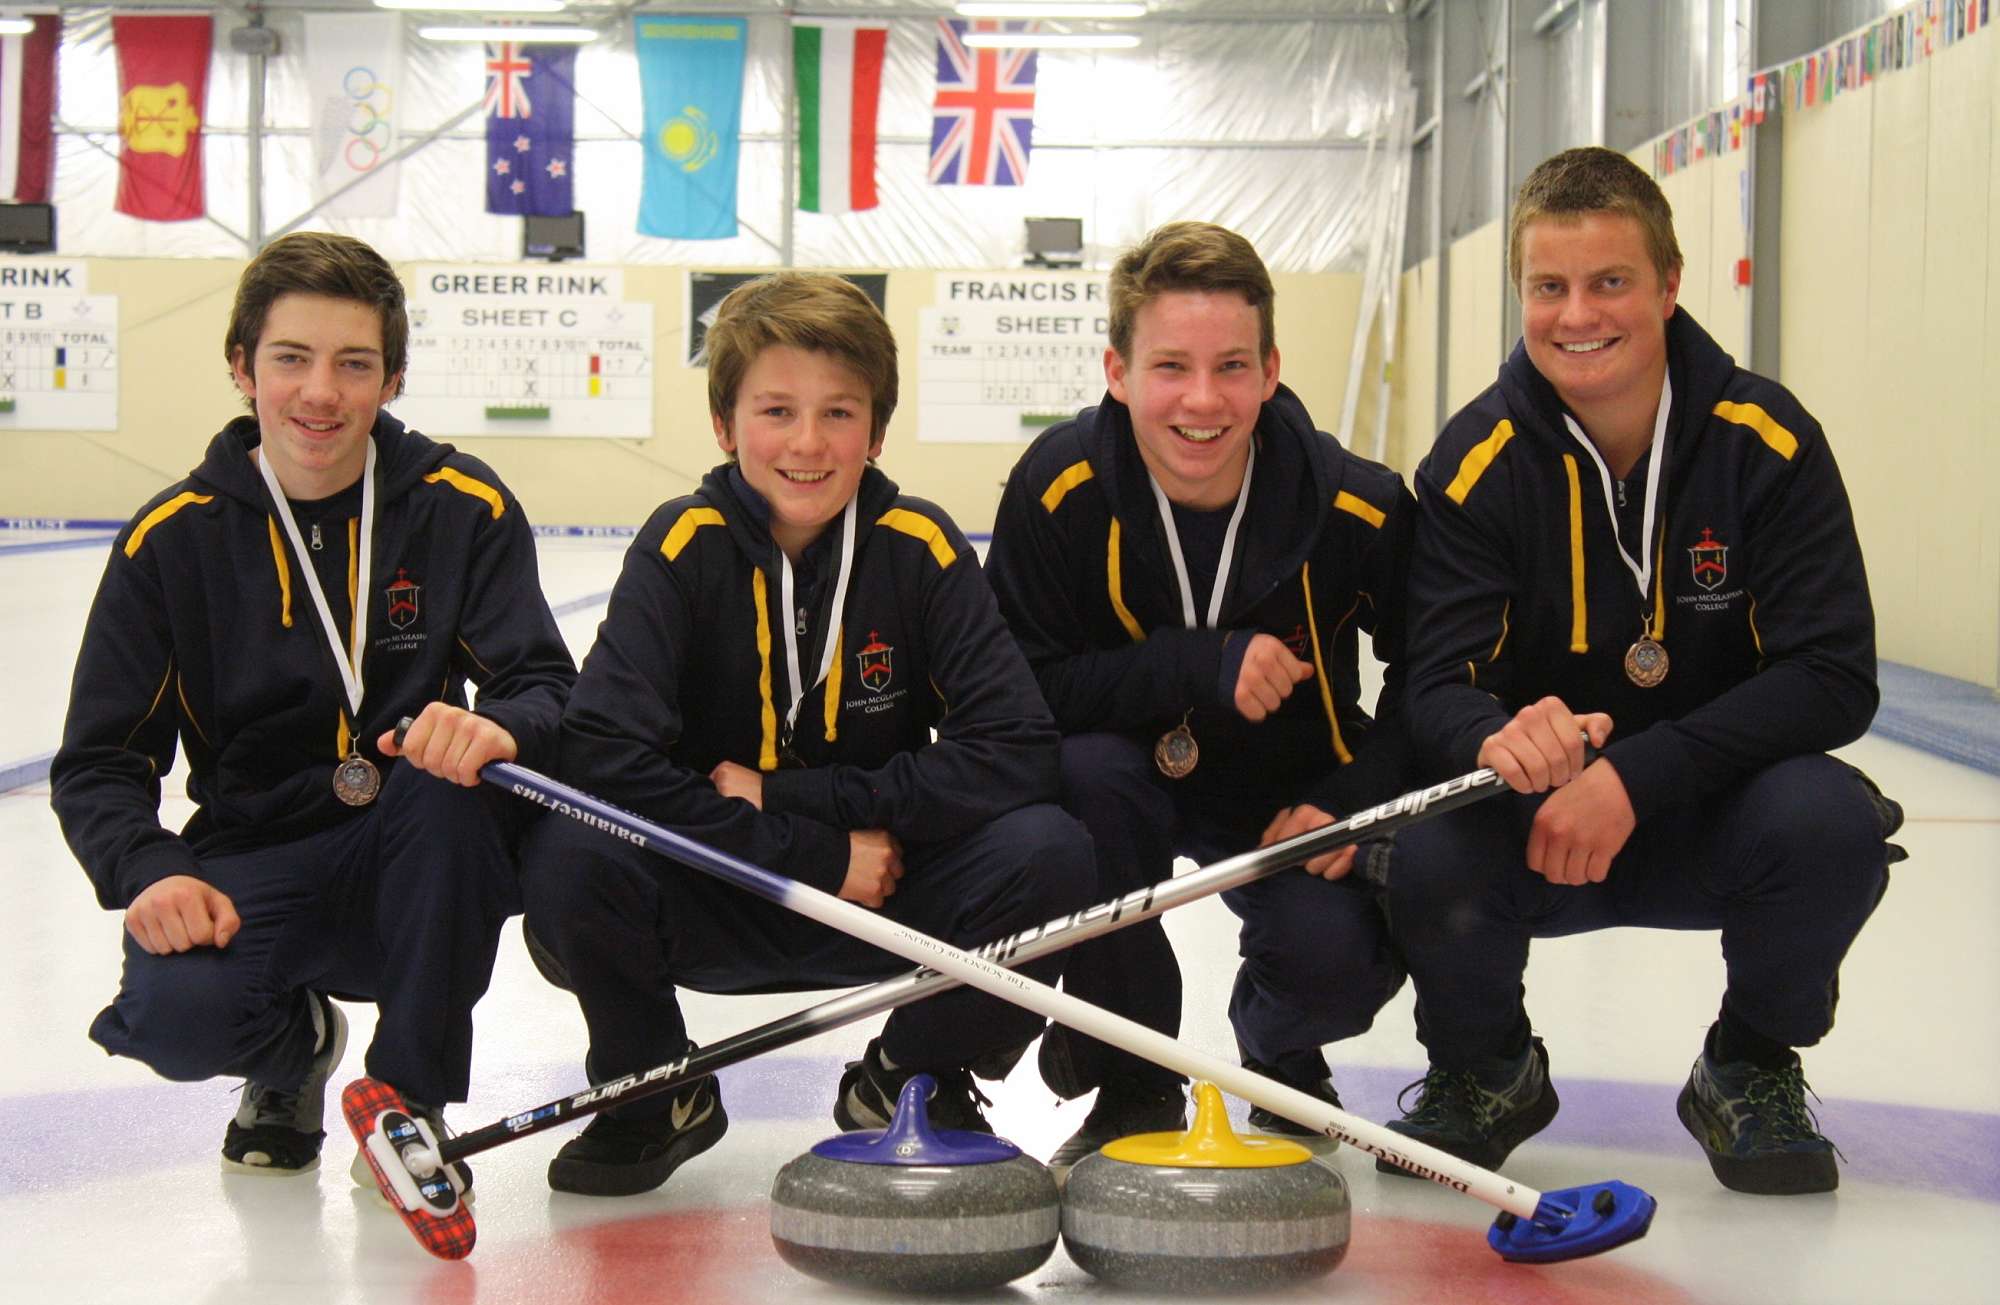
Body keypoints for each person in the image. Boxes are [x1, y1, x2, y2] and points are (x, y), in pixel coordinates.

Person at [1383, 146, 1902, 1195]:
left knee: (1830, 825)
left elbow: (1832, 673)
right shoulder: (1474, 459)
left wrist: (1637, 775)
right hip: (1534, 822)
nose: (1576, 315)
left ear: (1667, 286)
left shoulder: (1766, 439)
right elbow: (1425, 682)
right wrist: (1492, 737)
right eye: (1548, 287)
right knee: (1428, 846)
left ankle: (1747, 1062)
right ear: (1521, 294)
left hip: (1716, 809)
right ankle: (1484, 1070)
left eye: (1609, 281)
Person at [519, 272, 1093, 1198]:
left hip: (886, 885)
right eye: (777, 410)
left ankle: (911, 1074)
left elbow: (1016, 748)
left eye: (839, 413)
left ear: (876, 431)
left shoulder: (921, 546)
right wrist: (808, 850)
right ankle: (652, 1085)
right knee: (569, 849)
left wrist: (802, 802)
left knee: (1051, 850)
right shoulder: (679, 545)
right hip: (722, 879)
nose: (808, 442)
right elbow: (604, 756)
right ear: (723, 422)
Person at [50, 232, 576, 1189]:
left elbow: (546, 684)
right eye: (292, 359)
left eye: (354, 364)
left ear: (393, 378)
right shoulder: (172, 542)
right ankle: (294, 1049)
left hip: (417, 858)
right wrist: (151, 869)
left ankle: (406, 1105)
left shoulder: (457, 508)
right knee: (175, 1016)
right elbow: (101, 762)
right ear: (242, 367)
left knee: (449, 787)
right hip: (256, 855)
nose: (321, 393)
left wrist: (501, 724)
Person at [984, 221, 1415, 1172]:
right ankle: (1131, 1069)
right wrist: (1195, 663)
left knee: (1334, 964)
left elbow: (1435, 688)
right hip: (1122, 771)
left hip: (1287, 792)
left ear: (1270, 370)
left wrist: (1348, 806)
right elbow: (1019, 696)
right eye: (1171, 365)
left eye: (1231, 366)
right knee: (1084, 783)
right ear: (1117, 370)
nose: (1203, 400)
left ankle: (1279, 1046)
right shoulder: (1056, 491)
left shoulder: (1358, 506)